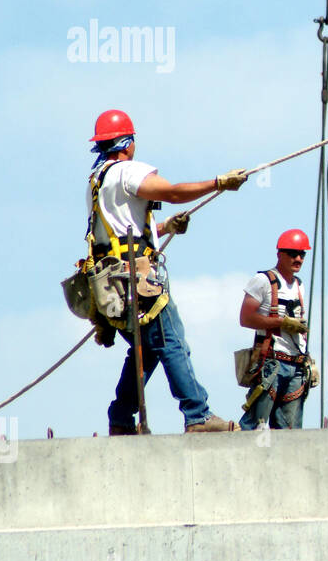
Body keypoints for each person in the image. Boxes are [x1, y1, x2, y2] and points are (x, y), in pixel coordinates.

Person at [83, 108, 248, 435]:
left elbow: (117, 232)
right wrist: (219, 183)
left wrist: (163, 227)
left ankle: (121, 416)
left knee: (146, 347)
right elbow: (172, 192)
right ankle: (197, 414)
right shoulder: (128, 171)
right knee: (172, 341)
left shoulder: (98, 180)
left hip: (114, 281)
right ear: (128, 143)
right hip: (139, 280)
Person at [238, 229, 315, 430]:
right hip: (272, 363)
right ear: (280, 254)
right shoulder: (263, 280)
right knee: (257, 426)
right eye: (292, 253)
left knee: (290, 432)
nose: (298, 258)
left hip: (296, 364)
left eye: (302, 254)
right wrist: (281, 323)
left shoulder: (299, 285)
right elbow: (246, 318)